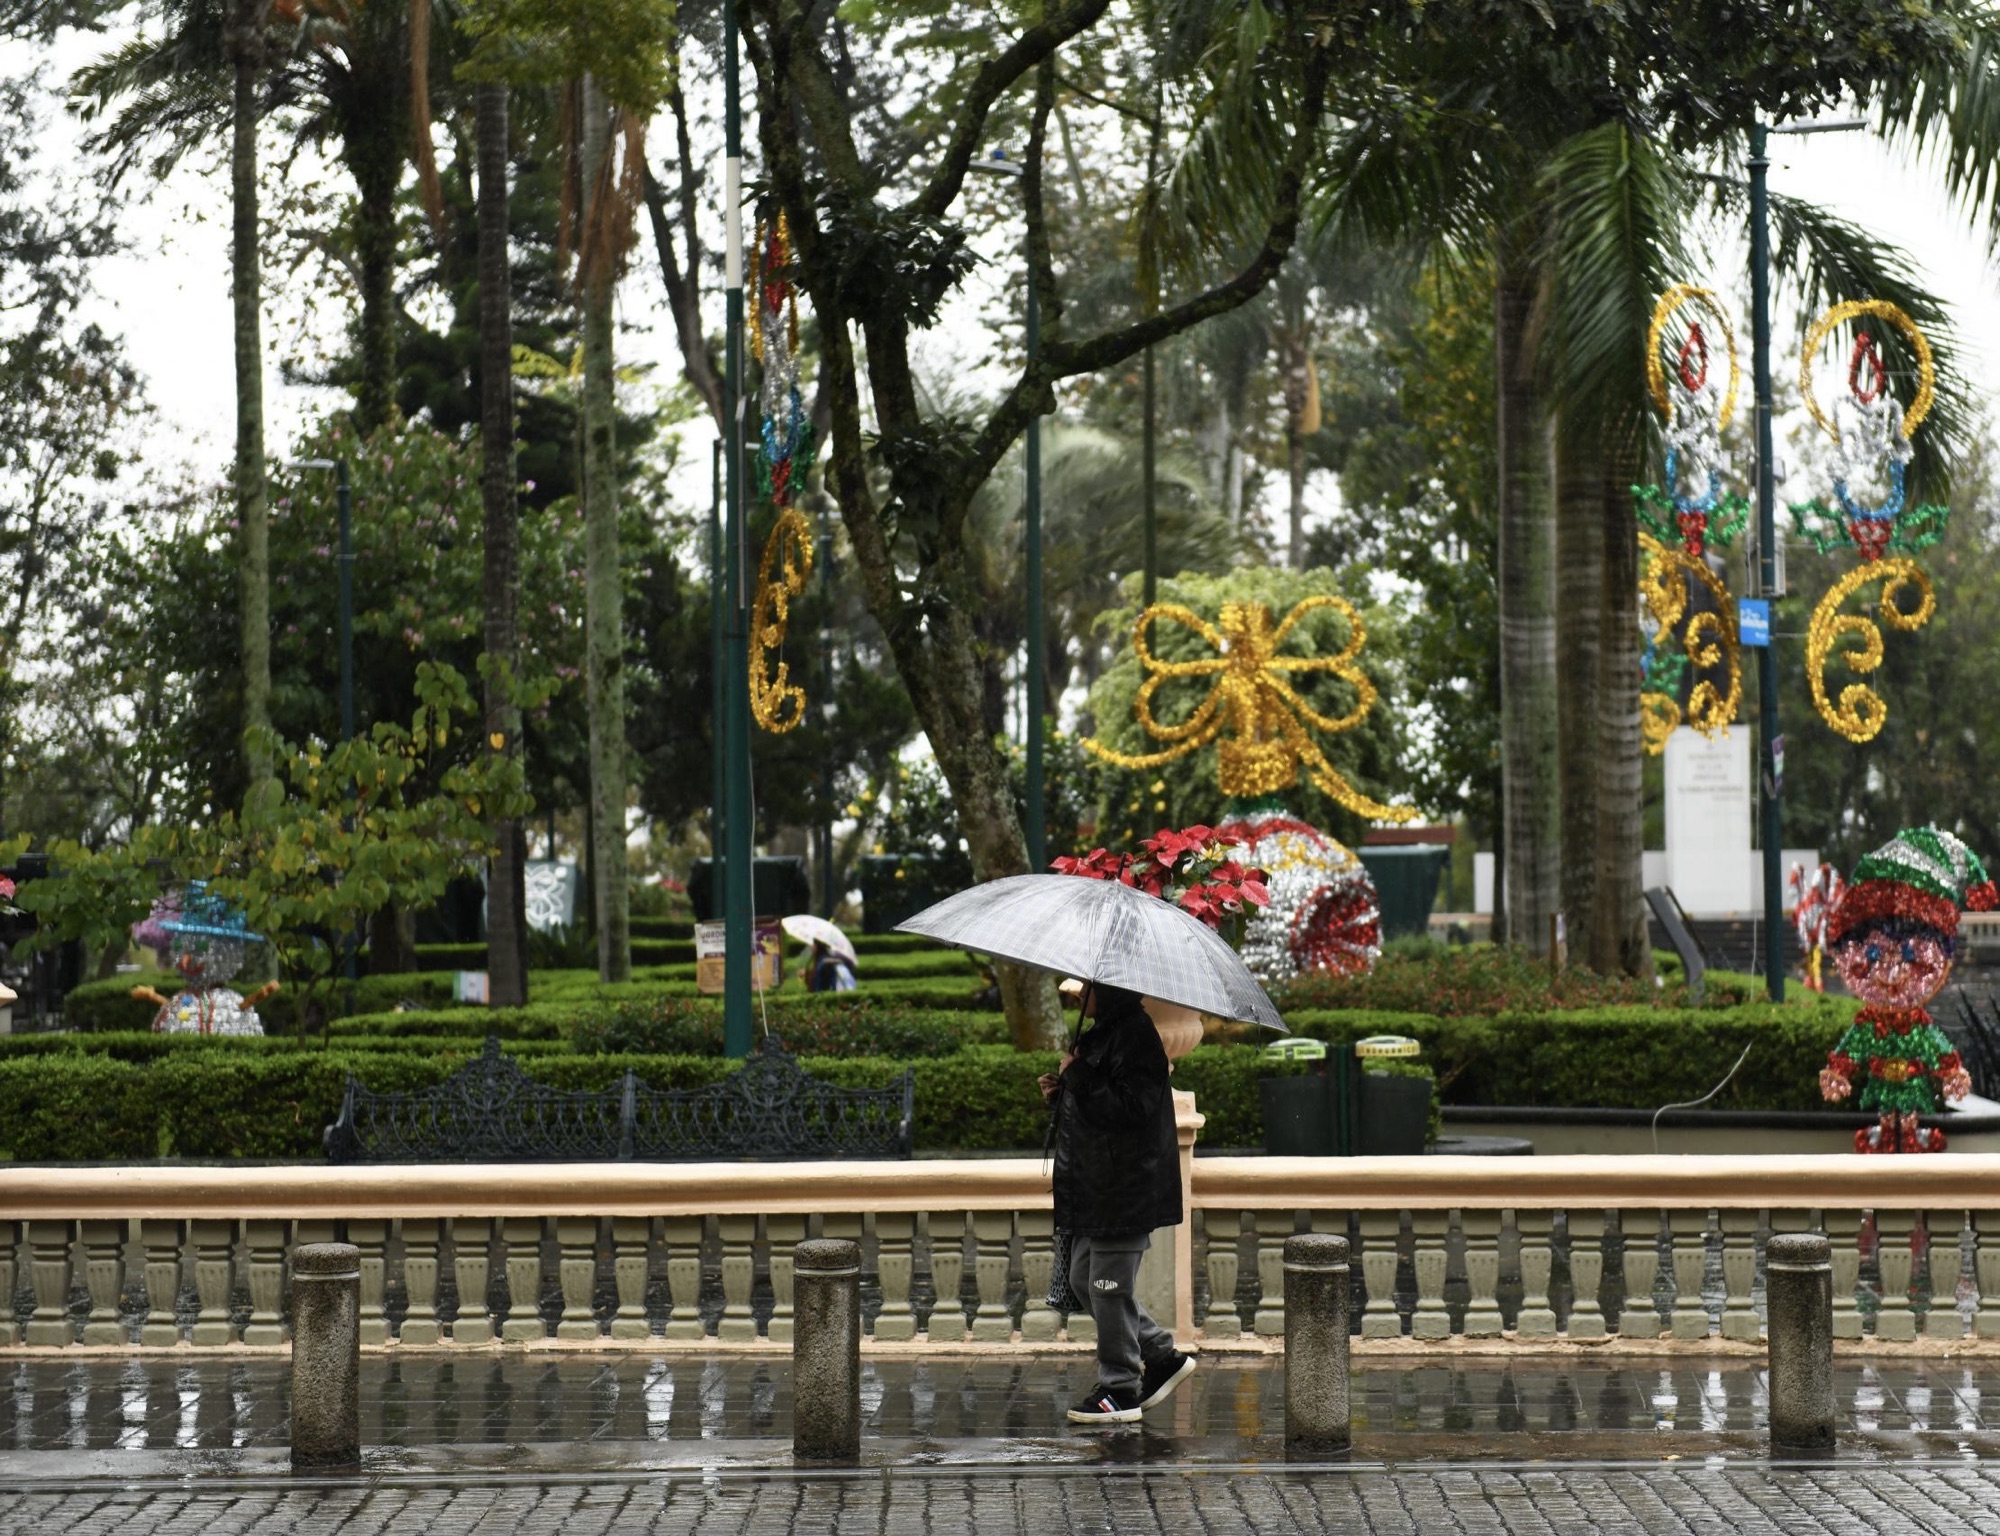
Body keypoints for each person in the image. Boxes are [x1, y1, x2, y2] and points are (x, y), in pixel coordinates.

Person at [1039, 979, 1195, 1423]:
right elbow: (1099, 1108)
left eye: (1083, 988)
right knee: (1082, 1280)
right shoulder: (1104, 1033)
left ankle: (1121, 1387)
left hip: (1123, 1189)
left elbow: (1134, 1111)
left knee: (1108, 1286)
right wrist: (1064, 1090)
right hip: (1096, 1187)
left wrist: (1080, 1077)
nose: (1075, 995)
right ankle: (1162, 1357)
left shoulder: (1135, 1035)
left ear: (1105, 990)